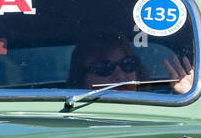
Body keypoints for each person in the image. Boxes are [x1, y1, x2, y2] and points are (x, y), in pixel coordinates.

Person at [66, 35, 194, 94]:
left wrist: (188, 93)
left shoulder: (156, 109)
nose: (120, 76)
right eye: (104, 67)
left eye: (127, 64)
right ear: (83, 77)